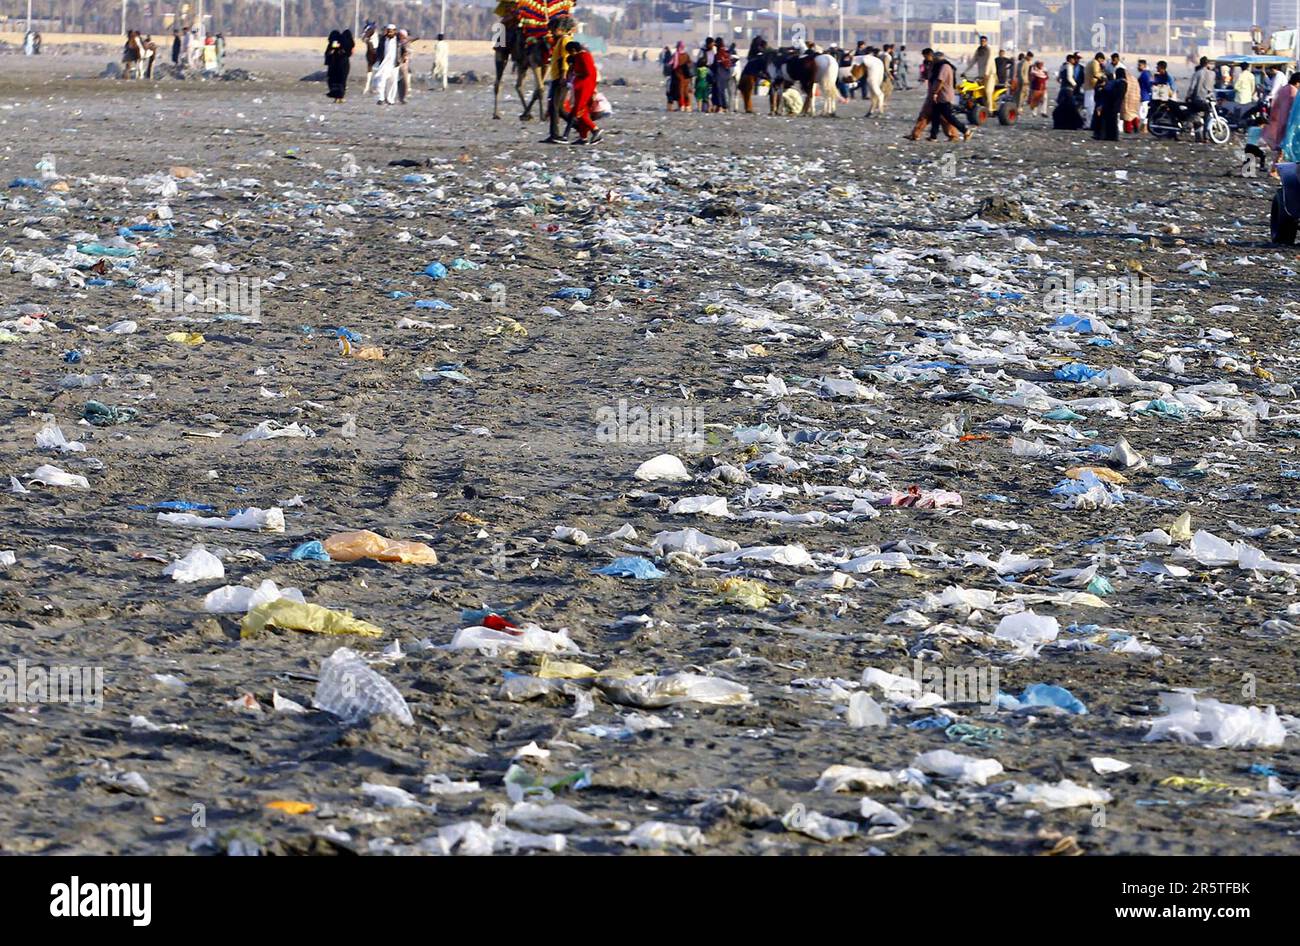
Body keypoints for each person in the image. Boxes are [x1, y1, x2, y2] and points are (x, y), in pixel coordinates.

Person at [543, 16, 576, 141]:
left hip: (561, 78)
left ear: (562, 28)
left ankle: (555, 135)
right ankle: (581, 127)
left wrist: (563, 75)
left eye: (553, 29)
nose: (551, 32)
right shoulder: (560, 40)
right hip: (557, 77)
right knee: (560, 109)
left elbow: (565, 59)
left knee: (554, 107)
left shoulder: (565, 40)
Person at [930, 51, 973, 141]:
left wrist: (935, 92)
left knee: (948, 116)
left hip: (944, 96)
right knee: (935, 116)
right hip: (940, 96)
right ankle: (933, 136)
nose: (933, 61)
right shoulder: (940, 66)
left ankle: (965, 130)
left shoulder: (944, 67)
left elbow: (940, 81)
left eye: (934, 59)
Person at [566, 40, 602, 145]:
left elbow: (588, 72)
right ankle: (583, 137)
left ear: (573, 50)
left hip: (584, 87)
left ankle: (595, 130)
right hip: (582, 87)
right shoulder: (580, 56)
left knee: (578, 111)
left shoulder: (584, 56)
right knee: (583, 112)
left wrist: (577, 73)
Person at [1264, 72, 1300, 175]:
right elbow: (1294, 109)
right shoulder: (1293, 91)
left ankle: (1274, 169)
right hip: (1288, 123)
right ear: (1297, 82)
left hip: (1280, 121)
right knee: (1286, 147)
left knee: (1282, 148)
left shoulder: (1284, 89)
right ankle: (1274, 170)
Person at [1185, 56, 1215, 140]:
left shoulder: (1197, 73)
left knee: (1195, 115)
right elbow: (1212, 87)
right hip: (1208, 99)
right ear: (1207, 64)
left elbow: (1192, 87)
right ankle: (1206, 136)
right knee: (1208, 116)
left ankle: (1198, 137)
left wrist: (1188, 96)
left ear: (1200, 63)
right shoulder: (1212, 74)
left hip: (1198, 99)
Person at [962, 35, 995, 111]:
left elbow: (989, 62)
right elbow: (973, 61)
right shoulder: (979, 50)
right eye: (981, 41)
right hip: (981, 75)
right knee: (978, 92)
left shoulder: (989, 50)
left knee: (988, 92)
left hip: (989, 75)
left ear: (986, 42)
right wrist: (965, 71)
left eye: (984, 41)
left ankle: (990, 110)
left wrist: (986, 73)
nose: (982, 42)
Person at [1094, 66, 1125, 141]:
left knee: (1105, 121)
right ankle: (1112, 136)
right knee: (1113, 122)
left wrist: (1102, 88)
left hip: (1109, 104)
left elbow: (1108, 91)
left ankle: (1104, 135)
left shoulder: (1116, 82)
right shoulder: (1123, 82)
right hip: (1116, 104)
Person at [1053, 54, 1084, 129]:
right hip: (1068, 89)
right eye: (1073, 59)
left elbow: (1058, 78)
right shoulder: (1069, 66)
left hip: (1062, 89)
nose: (1074, 61)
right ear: (1070, 59)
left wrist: (1062, 84)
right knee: (1071, 106)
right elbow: (1069, 77)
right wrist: (1075, 85)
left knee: (1062, 106)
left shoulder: (1062, 66)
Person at [374, 24, 401, 105]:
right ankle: (381, 98)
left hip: (394, 64)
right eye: (388, 31)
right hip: (384, 64)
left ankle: (390, 99)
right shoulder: (382, 40)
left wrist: (402, 59)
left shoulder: (398, 41)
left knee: (392, 83)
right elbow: (378, 51)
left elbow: (403, 50)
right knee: (381, 80)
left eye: (391, 31)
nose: (390, 32)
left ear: (395, 31)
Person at [738, 36, 767, 113]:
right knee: (748, 93)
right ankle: (748, 108)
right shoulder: (761, 56)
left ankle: (748, 107)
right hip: (751, 75)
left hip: (745, 73)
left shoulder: (752, 54)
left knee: (746, 93)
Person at [325, 30, 351, 102]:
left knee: (341, 82)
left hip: (342, 65)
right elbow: (328, 53)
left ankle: (340, 97)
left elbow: (347, 53)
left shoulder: (345, 44)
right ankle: (337, 97)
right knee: (336, 82)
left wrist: (341, 51)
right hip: (334, 65)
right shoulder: (331, 45)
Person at [1083, 52, 1105, 128]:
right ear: (1099, 58)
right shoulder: (1095, 63)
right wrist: (1104, 76)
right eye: (1102, 61)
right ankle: (1089, 124)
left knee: (1088, 106)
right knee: (1090, 107)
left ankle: (1088, 124)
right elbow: (1096, 74)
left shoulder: (1090, 62)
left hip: (1088, 86)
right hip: (1091, 87)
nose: (1102, 63)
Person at [669, 41, 692, 111]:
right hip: (687, 76)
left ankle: (682, 105)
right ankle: (687, 106)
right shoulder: (686, 55)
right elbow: (690, 63)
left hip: (679, 76)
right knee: (686, 91)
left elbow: (672, 65)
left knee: (680, 91)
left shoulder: (676, 55)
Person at [711, 36, 732, 111]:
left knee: (719, 90)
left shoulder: (719, 53)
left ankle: (721, 106)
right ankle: (724, 106)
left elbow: (716, 64)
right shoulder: (726, 52)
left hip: (720, 73)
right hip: (726, 74)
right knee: (722, 90)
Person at [1136, 59, 1153, 129]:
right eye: (1138, 65)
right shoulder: (1147, 73)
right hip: (1145, 95)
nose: (1138, 67)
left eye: (1140, 65)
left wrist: (1150, 93)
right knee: (1142, 112)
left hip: (1145, 96)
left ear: (1144, 65)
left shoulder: (1145, 74)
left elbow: (1149, 85)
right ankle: (1143, 127)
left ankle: (1144, 128)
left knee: (1143, 113)